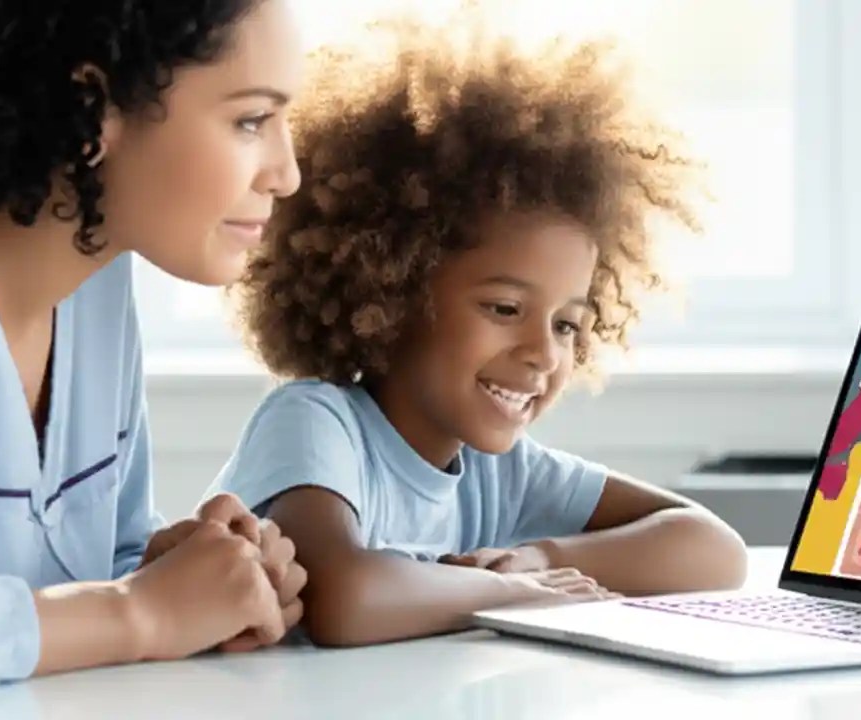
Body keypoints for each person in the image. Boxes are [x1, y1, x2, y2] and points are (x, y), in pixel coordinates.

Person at [204, 10, 749, 648]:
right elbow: (343, 597)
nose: (544, 352)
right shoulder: (317, 424)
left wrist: (543, 558)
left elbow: (714, 551)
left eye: (568, 324)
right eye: (504, 310)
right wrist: (512, 594)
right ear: (393, 288)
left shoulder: (501, 473)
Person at [0, 0, 307, 692]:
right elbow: (116, 613)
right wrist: (137, 612)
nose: (287, 173)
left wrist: (178, 575)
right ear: (92, 106)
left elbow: (102, 568)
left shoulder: (97, 285)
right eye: (251, 120)